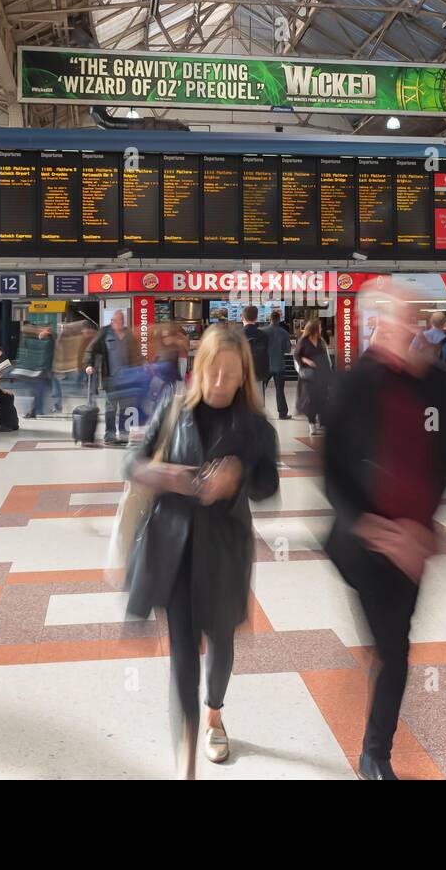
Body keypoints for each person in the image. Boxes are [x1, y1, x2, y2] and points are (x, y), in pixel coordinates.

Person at [123, 324, 279, 779]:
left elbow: (269, 486)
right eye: (213, 371)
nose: (219, 383)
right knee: (183, 652)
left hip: (226, 553)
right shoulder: (173, 411)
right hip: (174, 555)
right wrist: (165, 475)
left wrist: (239, 478)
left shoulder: (254, 426)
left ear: (242, 376)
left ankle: (214, 713)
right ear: (200, 368)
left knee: (222, 642)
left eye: (230, 375)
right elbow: (130, 463)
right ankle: (188, 754)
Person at [322, 283, 446, 780]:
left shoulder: (437, 385)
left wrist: (423, 527)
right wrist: (376, 529)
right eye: (404, 318)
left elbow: (443, 462)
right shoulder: (354, 385)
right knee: (393, 649)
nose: (414, 328)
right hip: (364, 545)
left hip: (413, 546)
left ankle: (377, 743)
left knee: (396, 646)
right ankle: (374, 755)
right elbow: (332, 472)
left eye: (419, 319)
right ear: (377, 321)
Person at [86, 310, 143, 445]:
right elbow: (91, 349)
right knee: (111, 408)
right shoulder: (104, 332)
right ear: (112, 321)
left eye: (122, 321)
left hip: (127, 379)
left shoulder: (128, 334)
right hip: (110, 378)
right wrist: (89, 364)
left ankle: (124, 435)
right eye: (117, 320)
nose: (120, 323)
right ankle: (110, 436)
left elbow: (136, 353)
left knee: (125, 408)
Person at [294, 318, 330, 436]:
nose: (321, 329)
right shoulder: (303, 341)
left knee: (322, 397)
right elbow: (297, 355)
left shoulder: (320, 341)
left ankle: (323, 422)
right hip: (308, 376)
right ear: (314, 328)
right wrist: (306, 361)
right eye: (319, 327)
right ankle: (312, 423)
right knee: (309, 399)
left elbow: (326, 356)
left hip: (321, 375)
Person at [16, 324, 55, 420]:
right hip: (36, 371)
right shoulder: (38, 341)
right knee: (36, 392)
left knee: (35, 392)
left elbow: (41, 355)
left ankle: (34, 411)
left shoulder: (42, 341)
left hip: (37, 371)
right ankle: (35, 410)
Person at [263, 310, 292, 419]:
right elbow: (288, 350)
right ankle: (282, 413)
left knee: (261, 390)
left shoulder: (263, 332)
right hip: (279, 365)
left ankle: (259, 413)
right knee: (280, 390)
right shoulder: (284, 333)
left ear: (270, 319)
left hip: (266, 366)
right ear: (279, 319)